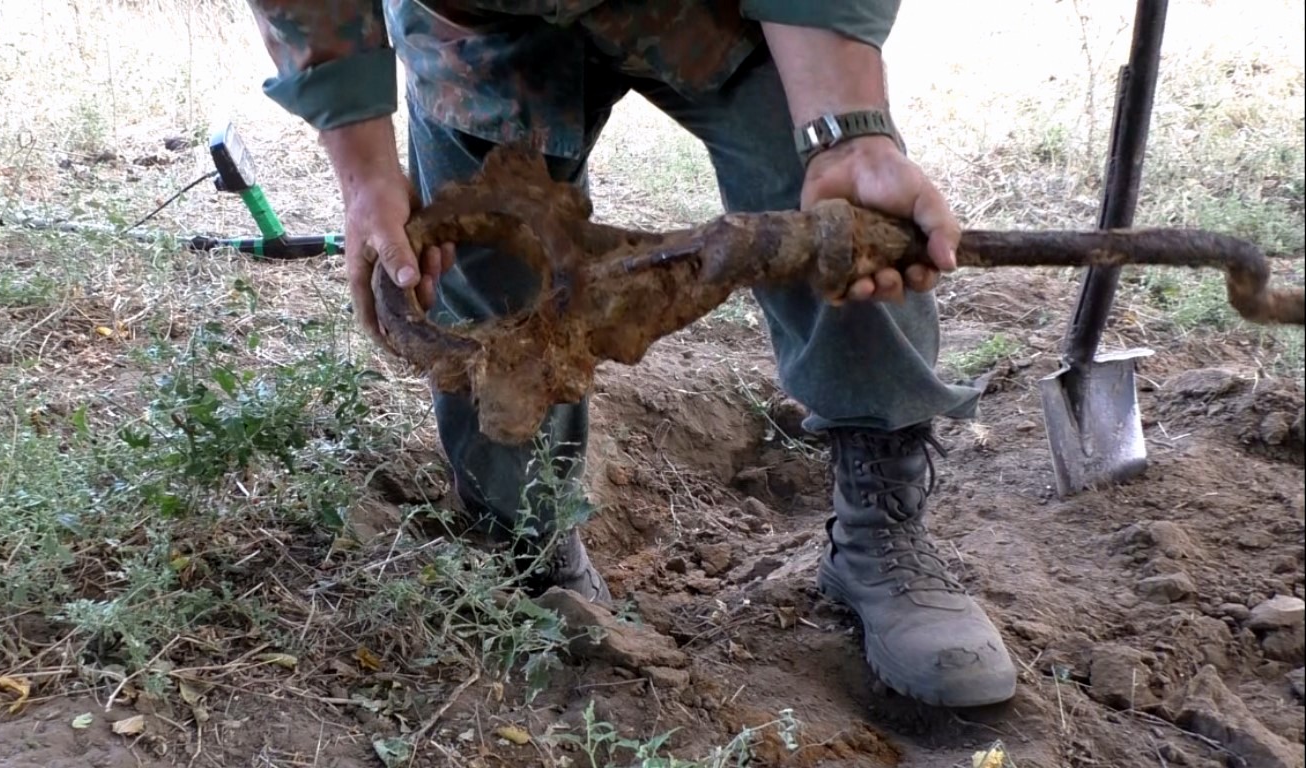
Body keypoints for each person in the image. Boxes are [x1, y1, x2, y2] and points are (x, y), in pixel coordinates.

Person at [243, 0, 1018, 709]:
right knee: (489, 281)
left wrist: (843, 127)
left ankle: (880, 528)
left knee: (833, 210)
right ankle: (529, 546)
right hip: (477, 22)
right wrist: (365, 166)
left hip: (712, 9)